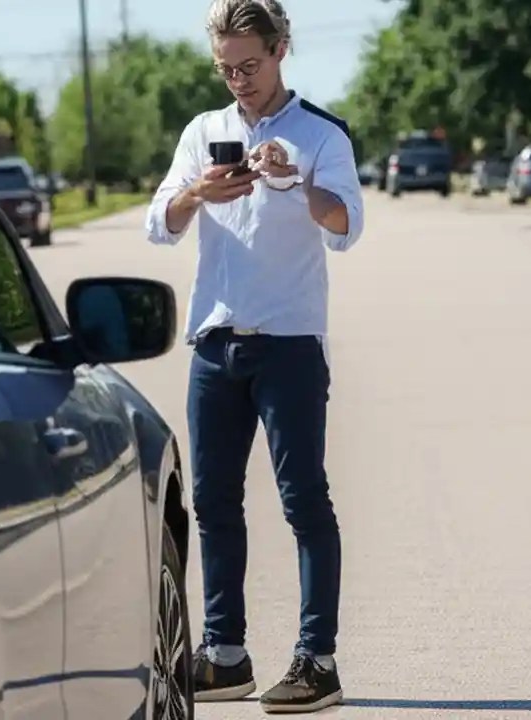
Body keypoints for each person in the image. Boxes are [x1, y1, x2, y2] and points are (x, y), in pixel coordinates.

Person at [144, 0, 364, 713]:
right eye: (226, 69)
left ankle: (317, 661)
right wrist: (196, 192)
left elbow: (346, 225)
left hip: (291, 346)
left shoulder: (321, 133)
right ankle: (225, 654)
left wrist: (297, 181)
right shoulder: (203, 132)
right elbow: (160, 223)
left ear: (281, 50)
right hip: (215, 344)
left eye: (250, 65)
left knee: (304, 501)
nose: (239, 80)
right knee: (212, 504)